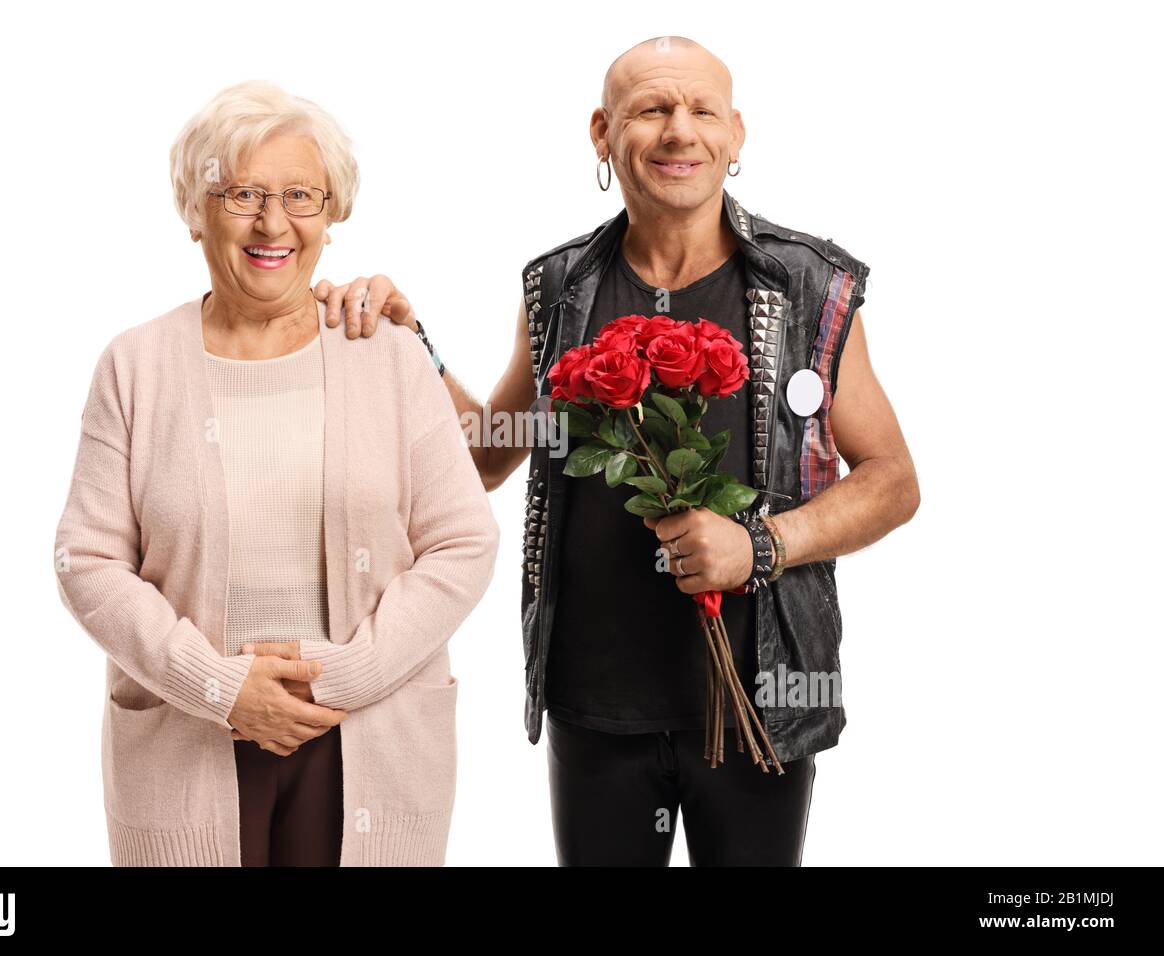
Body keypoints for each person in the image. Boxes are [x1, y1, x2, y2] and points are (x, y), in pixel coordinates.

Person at [318, 37, 919, 866]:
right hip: (595, 707)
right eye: (650, 110)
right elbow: (491, 453)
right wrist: (410, 340)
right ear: (602, 134)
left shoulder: (808, 284)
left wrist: (761, 545)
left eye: (702, 110)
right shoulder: (560, 286)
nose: (680, 131)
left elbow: (892, 480)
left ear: (736, 134)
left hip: (760, 702)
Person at [53, 80, 499, 867]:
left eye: (300, 194)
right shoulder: (135, 365)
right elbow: (87, 562)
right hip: (186, 733)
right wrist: (219, 687)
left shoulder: (389, 357)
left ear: (333, 214)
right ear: (196, 209)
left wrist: (347, 672)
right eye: (242, 194)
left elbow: (464, 542)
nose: (272, 222)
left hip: (369, 731)